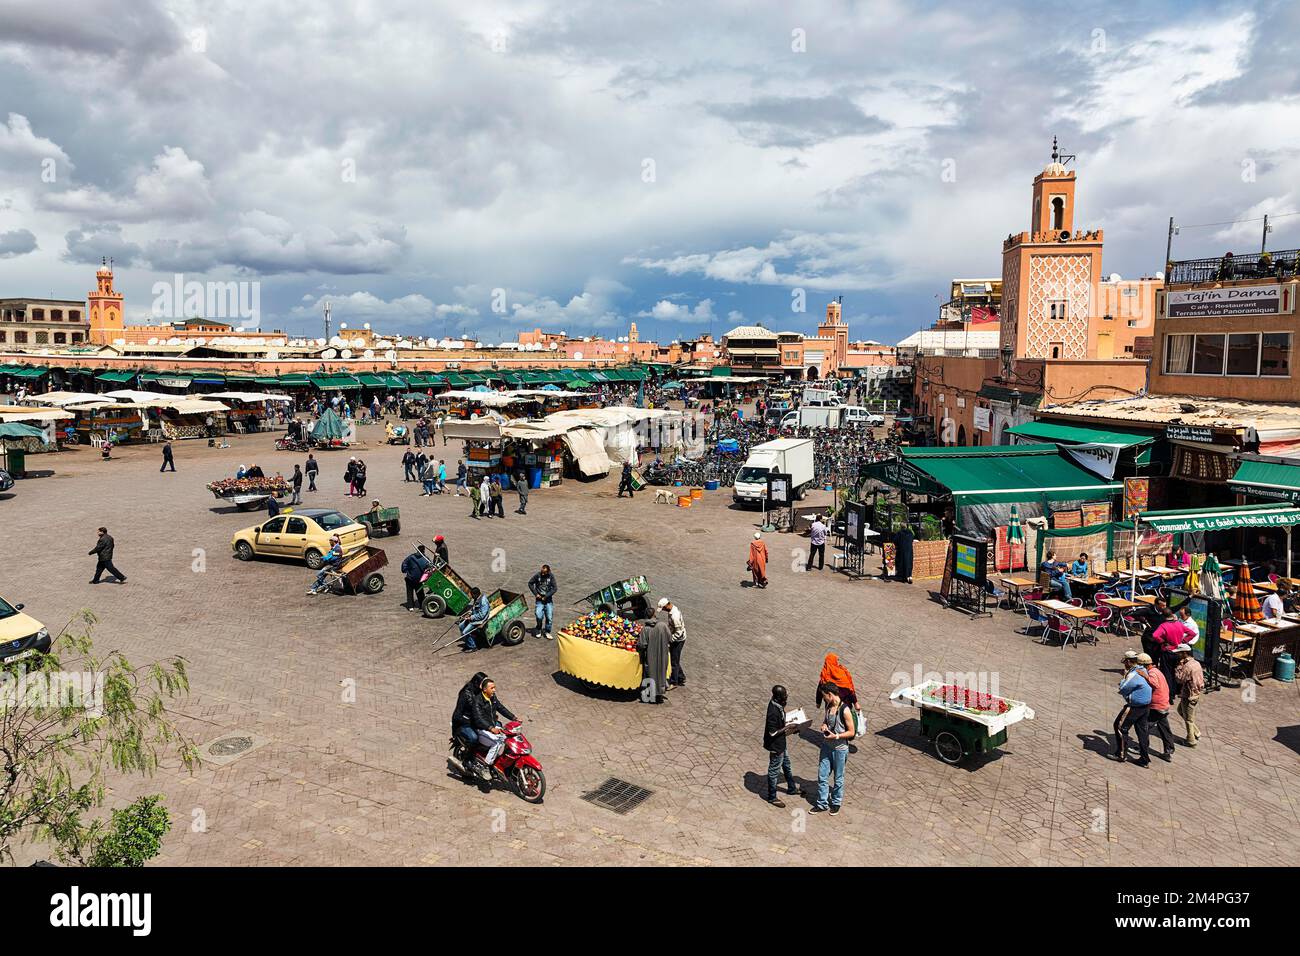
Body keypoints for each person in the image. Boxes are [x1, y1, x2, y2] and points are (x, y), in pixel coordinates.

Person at [811, 682, 855, 815]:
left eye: (824, 696)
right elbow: (826, 721)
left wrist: (836, 736)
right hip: (826, 746)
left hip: (840, 749)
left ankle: (836, 802)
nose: (824, 699)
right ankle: (822, 803)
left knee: (838, 777)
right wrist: (824, 725)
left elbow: (851, 732)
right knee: (822, 775)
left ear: (830, 695)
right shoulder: (828, 706)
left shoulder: (845, 710)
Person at [763, 684, 803, 808]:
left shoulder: (778, 705)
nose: (786, 697)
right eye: (784, 696)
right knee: (774, 771)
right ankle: (772, 797)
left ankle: (791, 788)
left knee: (786, 765)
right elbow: (773, 732)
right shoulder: (773, 712)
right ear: (778, 697)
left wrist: (793, 728)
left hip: (781, 744)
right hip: (776, 746)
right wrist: (788, 727)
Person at [468, 677, 517, 779]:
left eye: (494, 687)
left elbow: (501, 708)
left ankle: (501, 763)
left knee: (507, 739)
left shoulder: (492, 697)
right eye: (492, 688)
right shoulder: (477, 701)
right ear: (485, 689)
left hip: (493, 726)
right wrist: (490, 728)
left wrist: (513, 717)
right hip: (481, 729)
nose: (494, 690)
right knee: (497, 743)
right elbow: (479, 719)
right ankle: (485, 766)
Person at [1112, 651, 1152, 766]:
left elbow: (1123, 688)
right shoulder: (1142, 670)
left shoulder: (1133, 674)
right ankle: (1144, 759)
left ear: (1129, 661)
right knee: (1142, 732)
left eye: (1125, 661)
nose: (1124, 664)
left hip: (1135, 707)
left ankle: (1121, 754)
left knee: (1119, 727)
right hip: (1145, 706)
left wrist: (1123, 679)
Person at [1137, 653, 1175, 761]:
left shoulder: (1152, 673)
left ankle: (1143, 748)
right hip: (1163, 704)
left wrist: (1144, 676)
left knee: (1144, 727)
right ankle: (1168, 750)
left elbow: (1154, 684)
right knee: (1164, 728)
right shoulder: (1157, 671)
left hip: (1157, 706)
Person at [637, 610, 672, 703]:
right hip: (663, 656)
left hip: (650, 657)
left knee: (650, 675)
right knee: (661, 674)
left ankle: (649, 697)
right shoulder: (663, 625)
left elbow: (642, 645)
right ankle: (659, 695)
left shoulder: (645, 629)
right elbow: (670, 638)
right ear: (654, 615)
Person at [1173, 643, 1204, 748]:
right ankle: (1196, 732)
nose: (1178, 655)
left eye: (1179, 653)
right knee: (1181, 711)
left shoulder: (1187, 666)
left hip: (1189, 695)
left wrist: (1178, 668)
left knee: (1189, 719)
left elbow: (1179, 679)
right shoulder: (1196, 663)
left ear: (1185, 653)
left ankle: (1191, 740)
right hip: (1195, 693)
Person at [451, 671, 488, 754]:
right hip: (463, 723)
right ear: (476, 682)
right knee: (474, 738)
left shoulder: (482, 693)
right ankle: (469, 758)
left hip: (477, 721)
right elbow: (457, 715)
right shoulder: (465, 694)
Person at [659, 598, 686, 687]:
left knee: (674, 661)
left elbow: (679, 632)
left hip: (678, 640)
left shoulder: (675, 615)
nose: (663, 610)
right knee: (675, 658)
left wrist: (671, 640)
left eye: (663, 608)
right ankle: (681, 677)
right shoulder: (672, 611)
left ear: (667, 605)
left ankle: (674, 682)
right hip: (675, 638)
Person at [528, 564, 557, 639]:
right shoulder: (538, 575)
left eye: (544, 573)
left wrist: (546, 596)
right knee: (538, 615)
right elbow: (530, 583)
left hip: (548, 601)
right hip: (539, 601)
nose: (543, 574)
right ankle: (538, 629)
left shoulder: (551, 576)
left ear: (548, 572)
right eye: (542, 572)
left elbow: (555, 588)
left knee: (549, 617)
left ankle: (547, 631)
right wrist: (536, 594)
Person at [401, 545, 432, 611]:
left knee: (411, 593)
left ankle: (411, 606)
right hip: (416, 579)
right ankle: (420, 605)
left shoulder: (411, 557)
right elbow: (430, 568)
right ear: (423, 551)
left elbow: (404, 563)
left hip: (412, 578)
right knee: (419, 593)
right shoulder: (425, 559)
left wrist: (405, 570)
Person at [459, 587, 491, 652]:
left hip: (479, 620)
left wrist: (471, 617)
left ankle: (473, 647)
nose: (471, 596)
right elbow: (474, 609)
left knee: (465, 632)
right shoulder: (477, 598)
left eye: (472, 595)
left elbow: (482, 615)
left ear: (475, 594)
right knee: (461, 626)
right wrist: (469, 613)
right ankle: (469, 642)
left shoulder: (483, 601)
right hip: (474, 617)